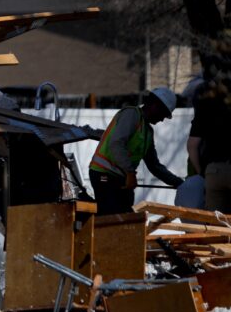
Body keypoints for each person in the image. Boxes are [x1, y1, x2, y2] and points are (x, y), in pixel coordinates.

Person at [88, 87, 184, 215]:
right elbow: (116, 144)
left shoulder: (147, 132)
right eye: (163, 114)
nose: (162, 120)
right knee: (111, 217)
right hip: (103, 174)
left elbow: (154, 165)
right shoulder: (131, 115)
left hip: (121, 178)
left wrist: (178, 182)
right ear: (155, 106)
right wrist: (130, 172)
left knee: (125, 215)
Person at [188, 79, 231, 211]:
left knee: (215, 224)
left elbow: (192, 145)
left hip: (214, 172)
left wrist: (202, 172)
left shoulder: (204, 109)